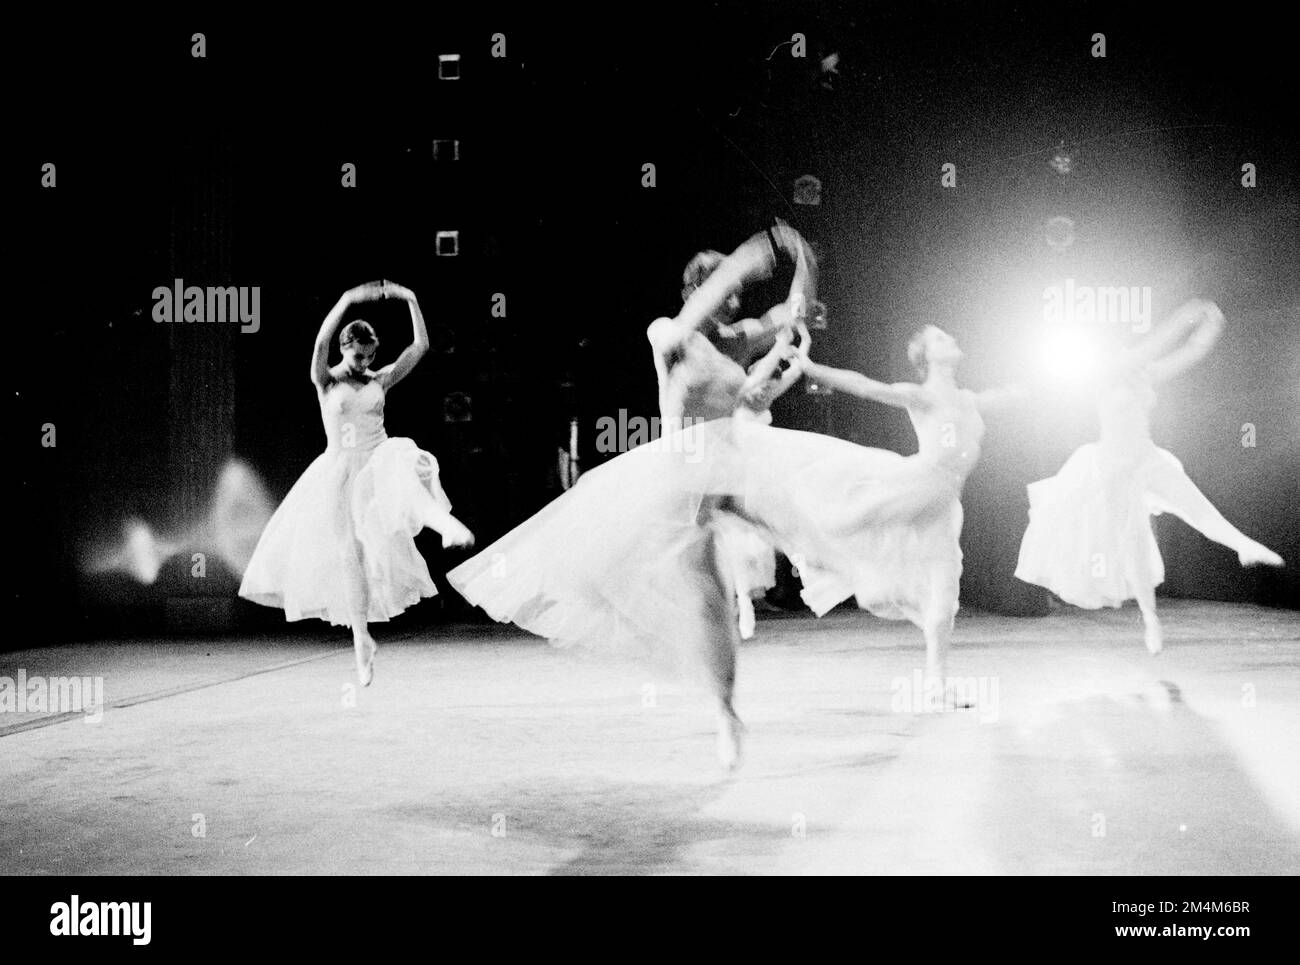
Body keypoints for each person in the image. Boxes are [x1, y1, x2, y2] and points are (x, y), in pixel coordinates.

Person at [449, 222, 818, 768]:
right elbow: (695, 316)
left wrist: (803, 257)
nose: (734, 298)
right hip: (684, 478)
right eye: (723, 288)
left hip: (732, 470)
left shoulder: (736, 340)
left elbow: (797, 313)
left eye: (737, 291)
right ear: (695, 291)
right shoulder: (670, 334)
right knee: (706, 599)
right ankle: (726, 711)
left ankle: (855, 564)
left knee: (810, 509)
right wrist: (747, 256)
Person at [239, 281, 474, 685]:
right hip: (340, 471)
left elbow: (419, 347)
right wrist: (347, 300)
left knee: (400, 475)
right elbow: (319, 342)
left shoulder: (378, 380)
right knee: (350, 556)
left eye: (369, 356)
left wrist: (411, 298)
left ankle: (445, 524)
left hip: (378, 457)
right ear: (344, 348)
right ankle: (361, 641)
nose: (363, 362)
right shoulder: (325, 380)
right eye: (357, 355)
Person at [1015, 299, 1283, 653]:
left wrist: (1210, 325)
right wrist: (1186, 315)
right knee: (1134, 540)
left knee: (1196, 507)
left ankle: (1243, 546)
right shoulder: (1106, 371)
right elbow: (1153, 346)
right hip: (1112, 466)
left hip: (1147, 457)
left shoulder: (1144, 374)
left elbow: (1192, 352)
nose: (1129, 350)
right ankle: (1151, 618)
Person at [780, 325, 1025, 693]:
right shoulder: (922, 396)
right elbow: (865, 386)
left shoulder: (969, 399)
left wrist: (1024, 391)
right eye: (941, 338)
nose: (952, 339)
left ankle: (936, 686)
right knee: (848, 520)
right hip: (918, 484)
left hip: (943, 505)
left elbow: (1005, 398)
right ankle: (805, 545)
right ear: (926, 357)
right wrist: (812, 369)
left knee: (944, 600)